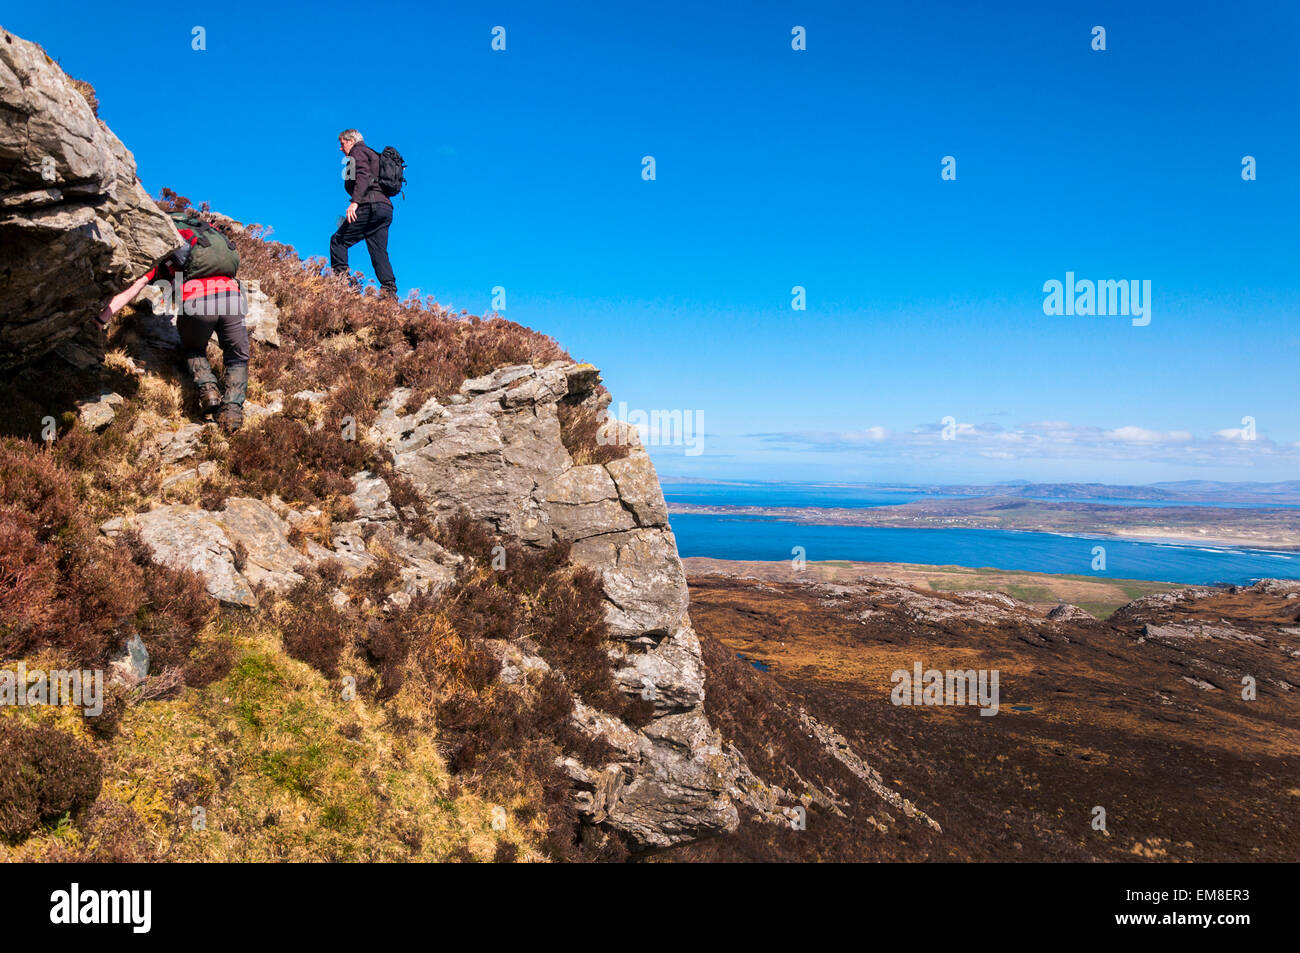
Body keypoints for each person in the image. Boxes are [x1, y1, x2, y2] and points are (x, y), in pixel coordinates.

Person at [97, 217, 250, 432]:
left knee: (193, 348)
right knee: (237, 356)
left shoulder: (160, 254)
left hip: (197, 300)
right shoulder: (206, 242)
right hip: (232, 297)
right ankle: (232, 413)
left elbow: (136, 287)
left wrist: (103, 317)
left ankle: (208, 390)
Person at [330, 129, 397, 298]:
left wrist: (355, 202)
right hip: (385, 209)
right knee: (378, 251)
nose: (340, 148)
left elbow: (363, 175)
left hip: (370, 205)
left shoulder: (357, 151)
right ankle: (389, 292)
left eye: (342, 143)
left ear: (351, 141)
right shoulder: (373, 154)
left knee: (338, 241)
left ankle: (341, 285)